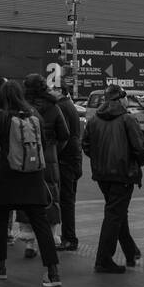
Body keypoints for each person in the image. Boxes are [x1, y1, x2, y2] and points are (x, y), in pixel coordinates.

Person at [0, 80, 62, 287]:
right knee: (40, 223)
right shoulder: (34, 115)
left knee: (0, 219)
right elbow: (43, 140)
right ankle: (52, 273)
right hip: (33, 176)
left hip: (8, 176)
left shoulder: (2, 116)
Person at [83, 83, 144, 272]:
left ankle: (130, 251)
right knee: (114, 215)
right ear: (120, 99)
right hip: (123, 174)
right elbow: (139, 148)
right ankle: (103, 259)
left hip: (102, 175)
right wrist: (138, 162)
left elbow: (86, 145)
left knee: (117, 213)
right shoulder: (128, 119)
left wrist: (99, 160)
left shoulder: (95, 119)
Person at [22, 74, 67, 252]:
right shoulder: (54, 107)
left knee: (27, 196)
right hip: (49, 155)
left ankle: (29, 243)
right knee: (51, 195)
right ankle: (49, 240)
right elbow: (65, 134)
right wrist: (54, 148)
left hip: (27, 156)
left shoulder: (23, 106)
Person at [53, 84, 84, 251]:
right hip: (74, 158)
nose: (50, 91)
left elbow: (63, 136)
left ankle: (69, 238)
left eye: (54, 89)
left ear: (62, 92)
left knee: (66, 201)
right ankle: (69, 237)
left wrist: (54, 154)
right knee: (68, 199)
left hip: (66, 160)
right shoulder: (68, 105)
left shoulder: (61, 107)